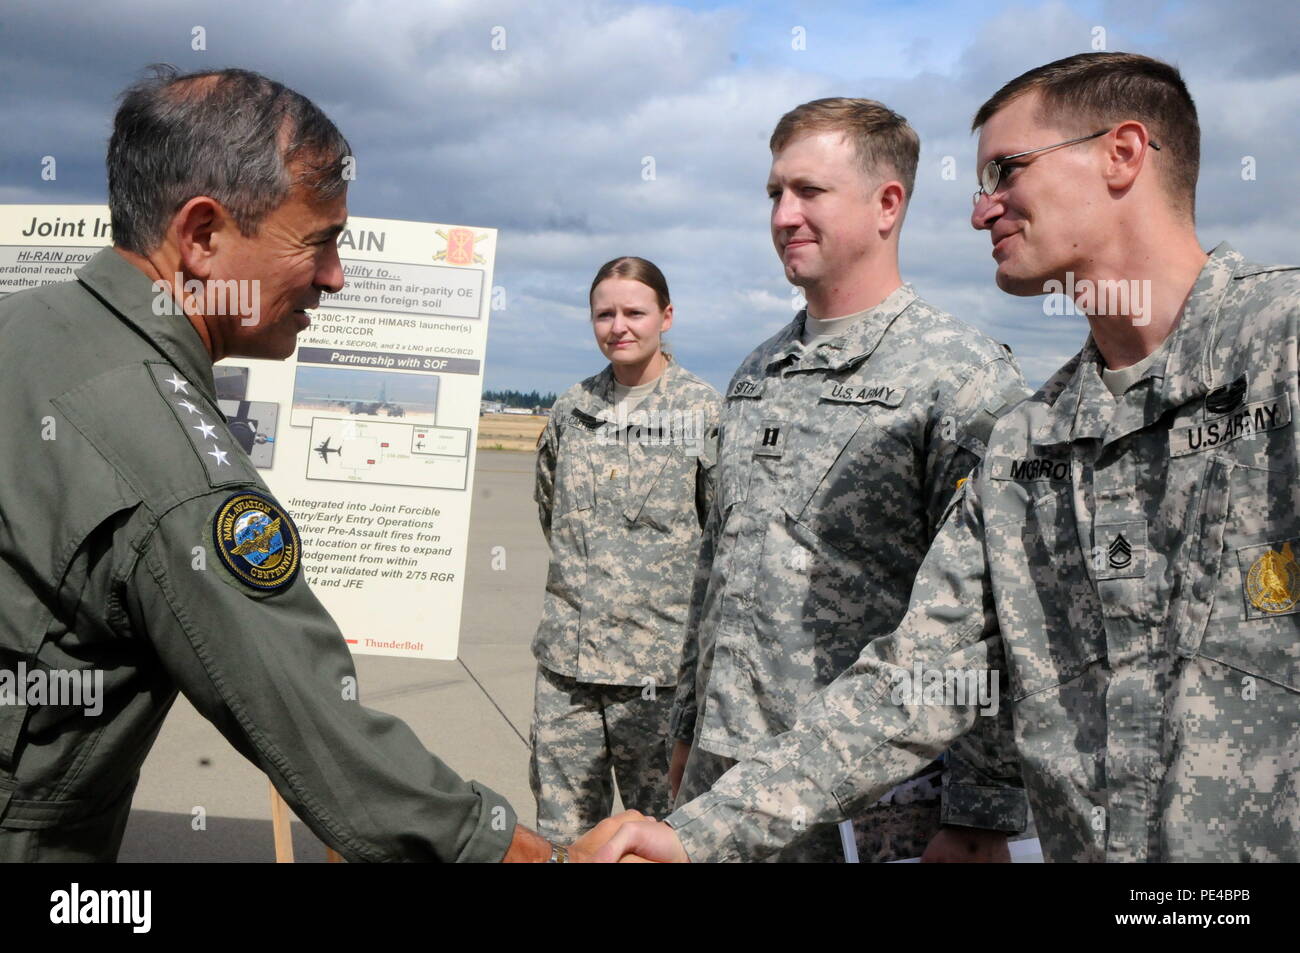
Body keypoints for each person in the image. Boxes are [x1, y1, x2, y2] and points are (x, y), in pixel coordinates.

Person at [596, 51, 1300, 864]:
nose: (980, 211)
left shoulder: (1279, 351)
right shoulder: (1032, 445)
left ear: (1123, 153)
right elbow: (918, 679)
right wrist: (696, 833)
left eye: (1006, 171)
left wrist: (978, 813)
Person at [0, 65, 597, 862]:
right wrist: (542, 857)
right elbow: (323, 737)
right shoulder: (174, 468)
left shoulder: (25, 327)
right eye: (318, 241)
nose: (335, 276)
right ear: (203, 235)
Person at [665, 98, 1030, 862]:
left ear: (887, 203)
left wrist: (981, 812)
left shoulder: (957, 377)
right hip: (720, 783)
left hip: (861, 798)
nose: (783, 215)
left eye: (809, 191)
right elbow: (717, 567)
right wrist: (685, 732)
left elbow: (996, 615)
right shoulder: (758, 371)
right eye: (774, 194)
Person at [530, 257, 721, 842]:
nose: (619, 326)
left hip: (660, 679)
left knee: (661, 836)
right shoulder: (574, 410)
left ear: (666, 317)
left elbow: (722, 539)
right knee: (565, 839)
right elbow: (550, 510)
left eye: (634, 312)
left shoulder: (703, 413)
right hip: (569, 674)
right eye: (604, 314)